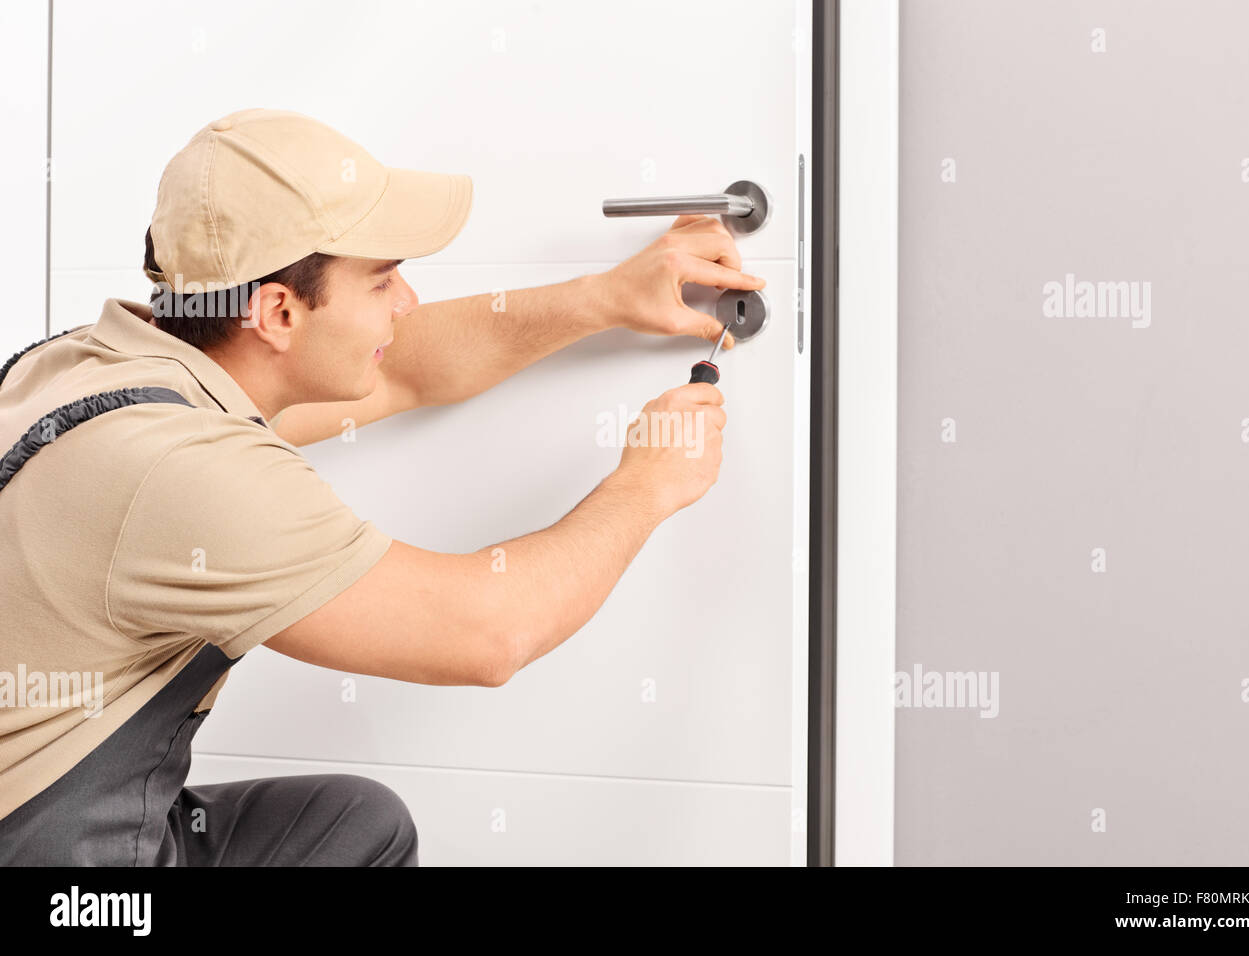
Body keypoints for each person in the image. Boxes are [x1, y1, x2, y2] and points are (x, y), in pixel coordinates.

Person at [0, 107, 765, 866]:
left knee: (351, 824)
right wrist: (649, 482)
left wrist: (606, 297)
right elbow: (487, 634)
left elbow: (399, 367)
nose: (406, 302)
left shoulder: (90, 366)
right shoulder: (185, 474)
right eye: (381, 279)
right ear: (278, 311)